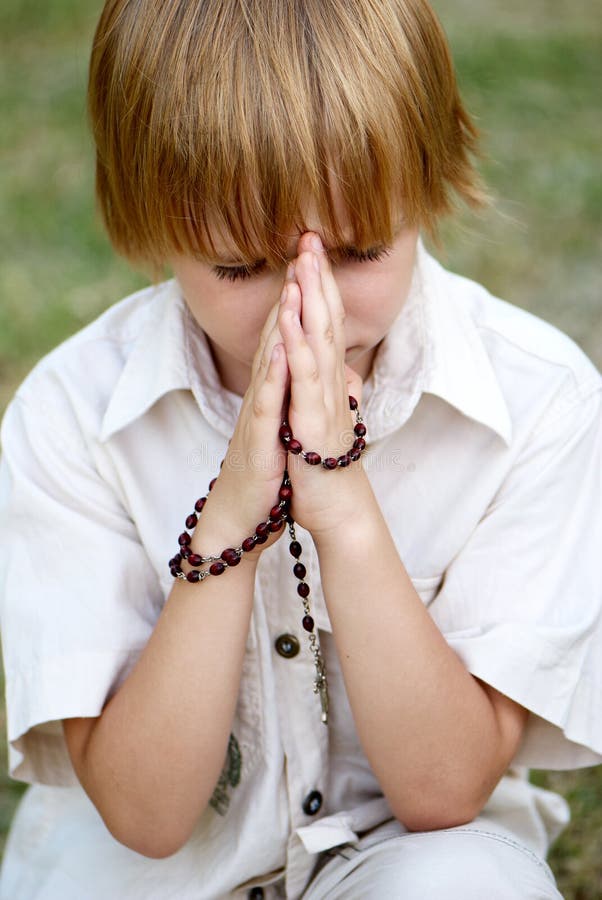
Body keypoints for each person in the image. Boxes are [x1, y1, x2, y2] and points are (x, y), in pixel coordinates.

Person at [0, 1, 600, 897]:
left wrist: (343, 507)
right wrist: (231, 519)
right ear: (151, 226)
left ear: (429, 188)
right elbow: (145, 816)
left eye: (357, 251)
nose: (303, 312)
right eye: (240, 267)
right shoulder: (73, 414)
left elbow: (443, 790)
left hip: (405, 852)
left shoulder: (538, 400)